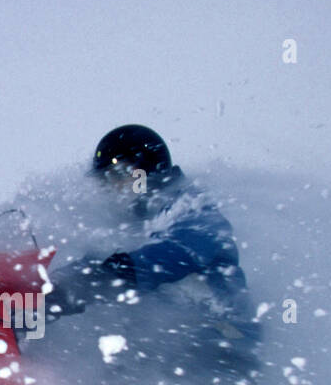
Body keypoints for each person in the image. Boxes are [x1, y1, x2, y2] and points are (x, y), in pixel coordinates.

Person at [47, 125, 254, 344]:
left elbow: (172, 256)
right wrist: (47, 291)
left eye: (121, 174)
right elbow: (95, 263)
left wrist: (102, 277)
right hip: (169, 343)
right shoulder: (131, 226)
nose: (113, 186)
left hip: (223, 340)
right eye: (106, 179)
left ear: (148, 172)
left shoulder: (193, 209)